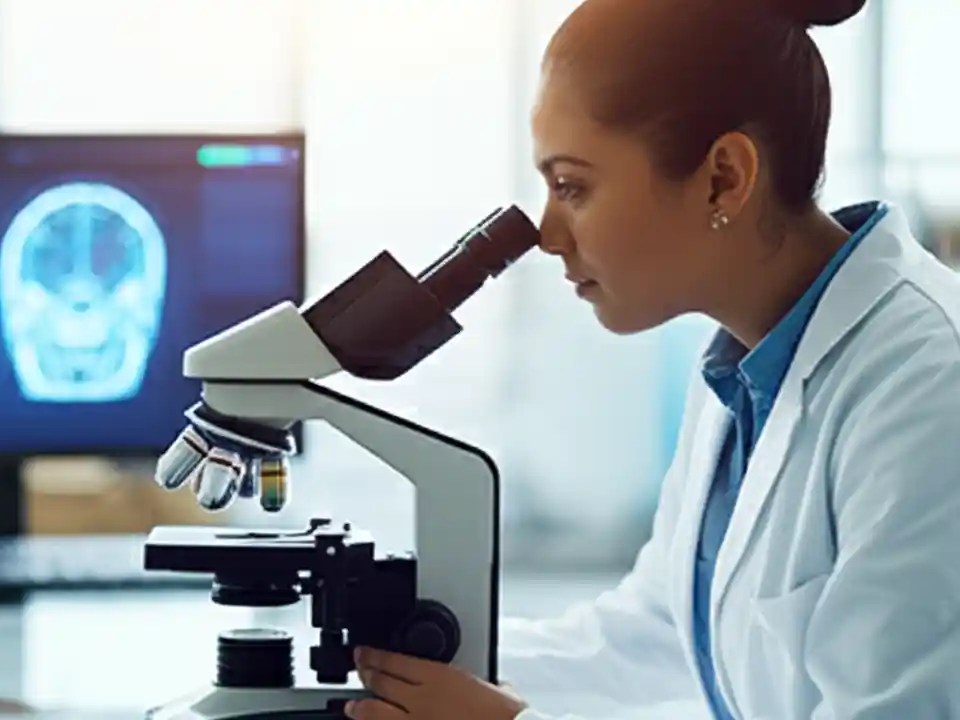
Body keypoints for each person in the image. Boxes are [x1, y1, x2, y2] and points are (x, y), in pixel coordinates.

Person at [344, 0, 960, 718]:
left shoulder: (927, 385)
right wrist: (404, 669)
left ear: (723, 177)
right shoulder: (743, 365)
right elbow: (661, 629)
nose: (546, 234)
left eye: (572, 186)